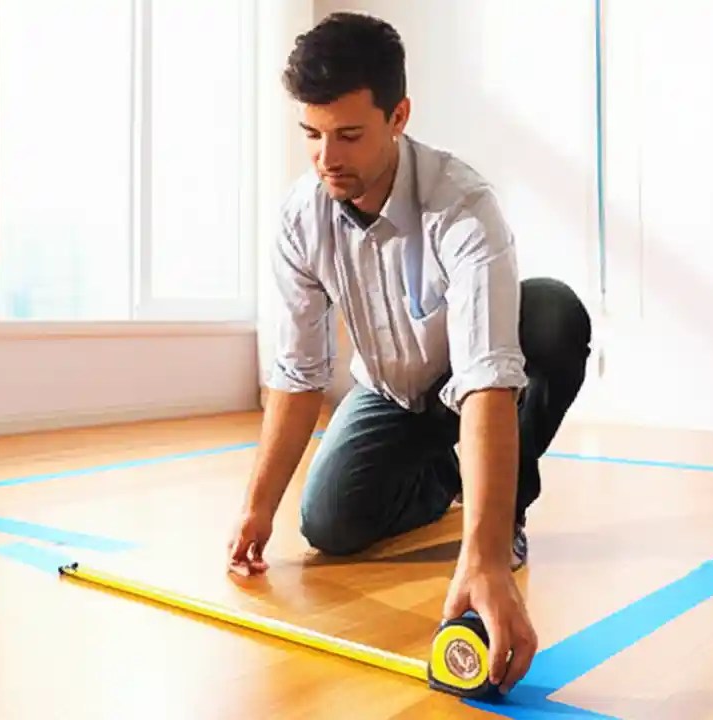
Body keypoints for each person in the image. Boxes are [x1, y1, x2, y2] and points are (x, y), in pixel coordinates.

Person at [226, 11, 592, 694]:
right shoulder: (300, 218)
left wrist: (483, 557)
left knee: (553, 315)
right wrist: (258, 507)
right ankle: (452, 478)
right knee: (329, 525)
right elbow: (300, 373)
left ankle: (501, 506)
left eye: (349, 135)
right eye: (312, 134)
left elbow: (486, 376)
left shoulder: (462, 203)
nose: (327, 158)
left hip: (472, 380)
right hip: (390, 393)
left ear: (398, 117)